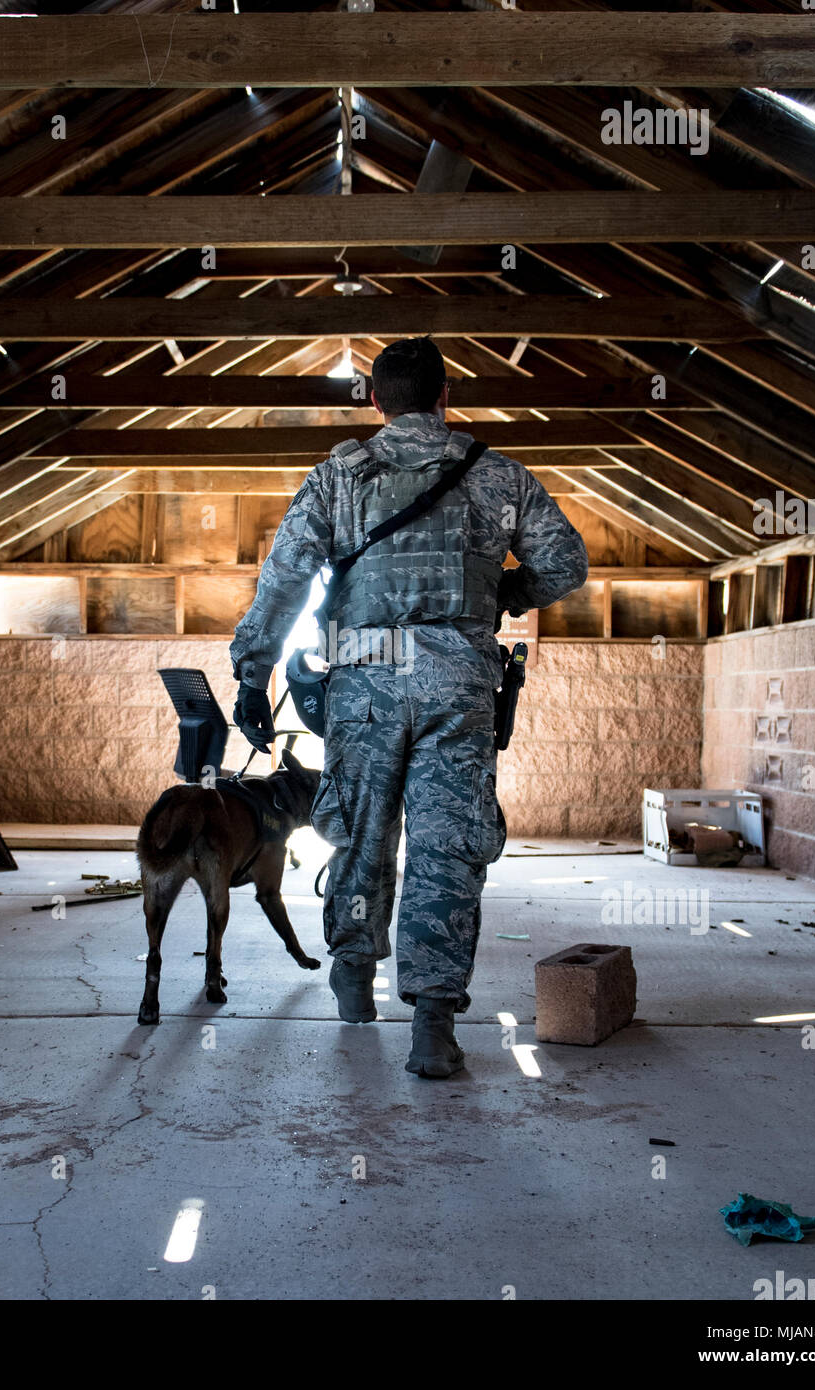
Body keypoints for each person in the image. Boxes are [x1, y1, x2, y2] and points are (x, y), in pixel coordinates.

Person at [230, 336, 588, 1077]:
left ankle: (354, 982)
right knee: (445, 846)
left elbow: (284, 581)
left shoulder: (338, 478)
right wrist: (497, 597)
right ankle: (431, 1024)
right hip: (457, 683)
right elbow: (563, 564)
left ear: (374, 400)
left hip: (364, 685)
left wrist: (249, 675)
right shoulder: (496, 475)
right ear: (444, 395)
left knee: (361, 835)